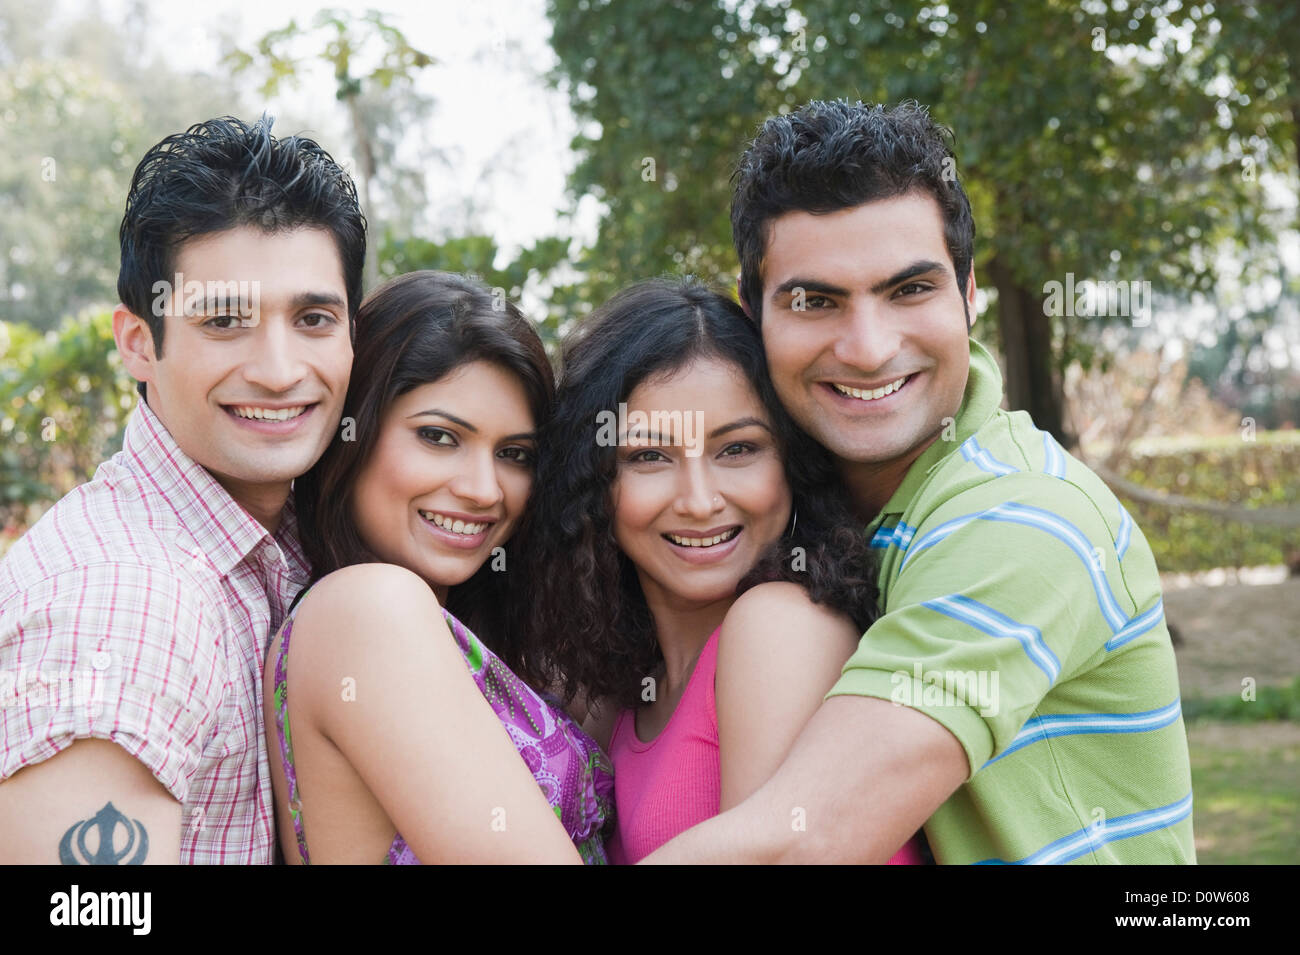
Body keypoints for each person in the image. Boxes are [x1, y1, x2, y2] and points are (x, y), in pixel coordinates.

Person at [641, 100, 1195, 865]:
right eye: (815, 301)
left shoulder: (1023, 518)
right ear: (753, 316)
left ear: (970, 297)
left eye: (910, 290)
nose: (868, 349)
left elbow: (802, 842)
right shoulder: (811, 514)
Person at [0, 115, 363, 863]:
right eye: (225, 319)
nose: (279, 368)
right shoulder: (127, 603)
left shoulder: (282, 531)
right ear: (138, 342)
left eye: (314, 318)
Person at [522, 277, 924, 865]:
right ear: (592, 485)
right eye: (649, 456)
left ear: (792, 463)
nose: (700, 500)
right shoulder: (619, 692)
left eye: (737, 449)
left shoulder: (782, 627)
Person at [264, 270, 613, 865]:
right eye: (439, 437)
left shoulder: (448, 629)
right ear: (354, 432)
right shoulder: (368, 609)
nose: (483, 490)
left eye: (514, 454)